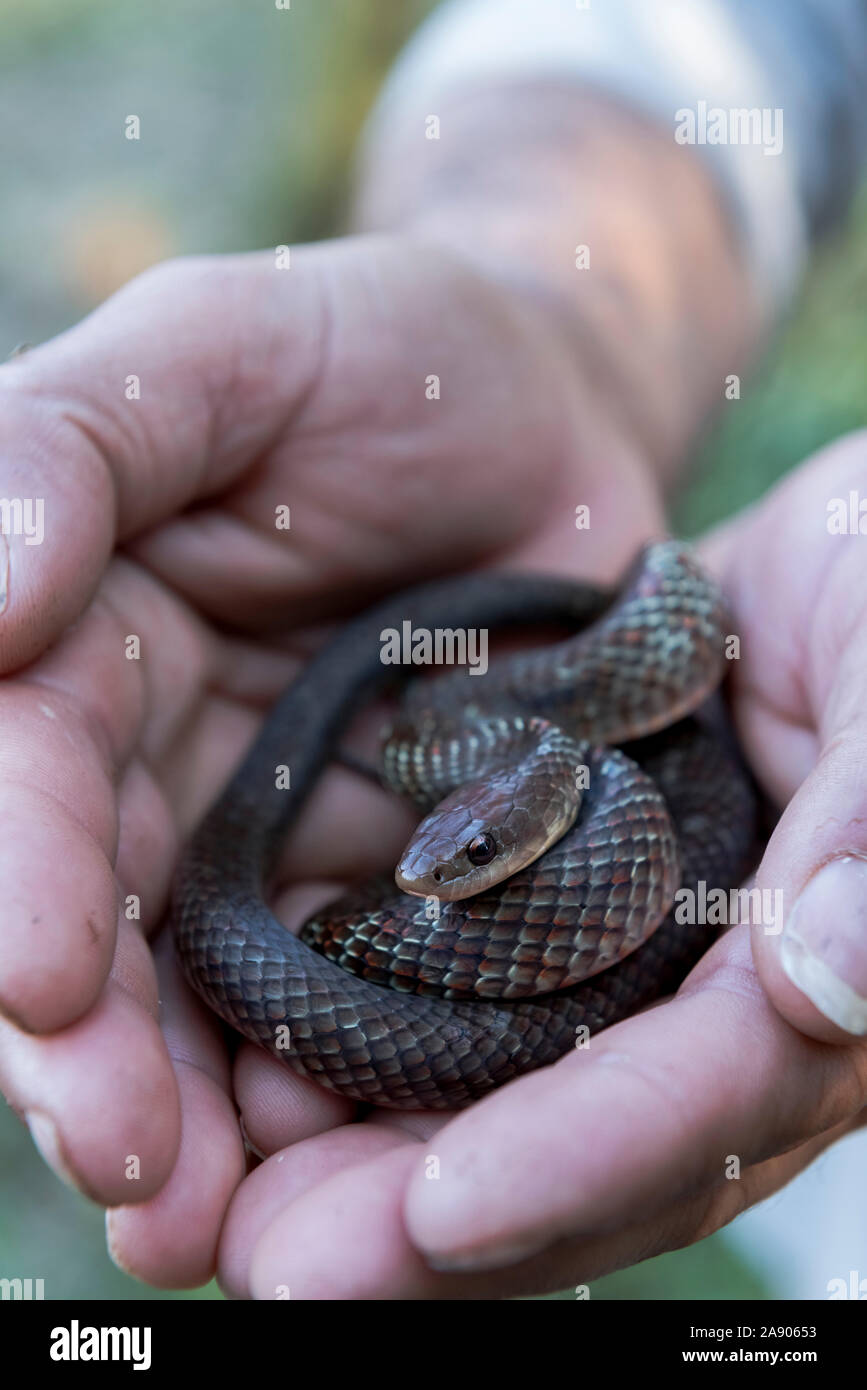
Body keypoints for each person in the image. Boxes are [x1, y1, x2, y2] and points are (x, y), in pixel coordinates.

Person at [1, 0, 866, 1299]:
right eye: (458, 848)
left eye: (467, 856)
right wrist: (554, 316)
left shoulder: (595, 775)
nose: (436, 868)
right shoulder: (512, 754)